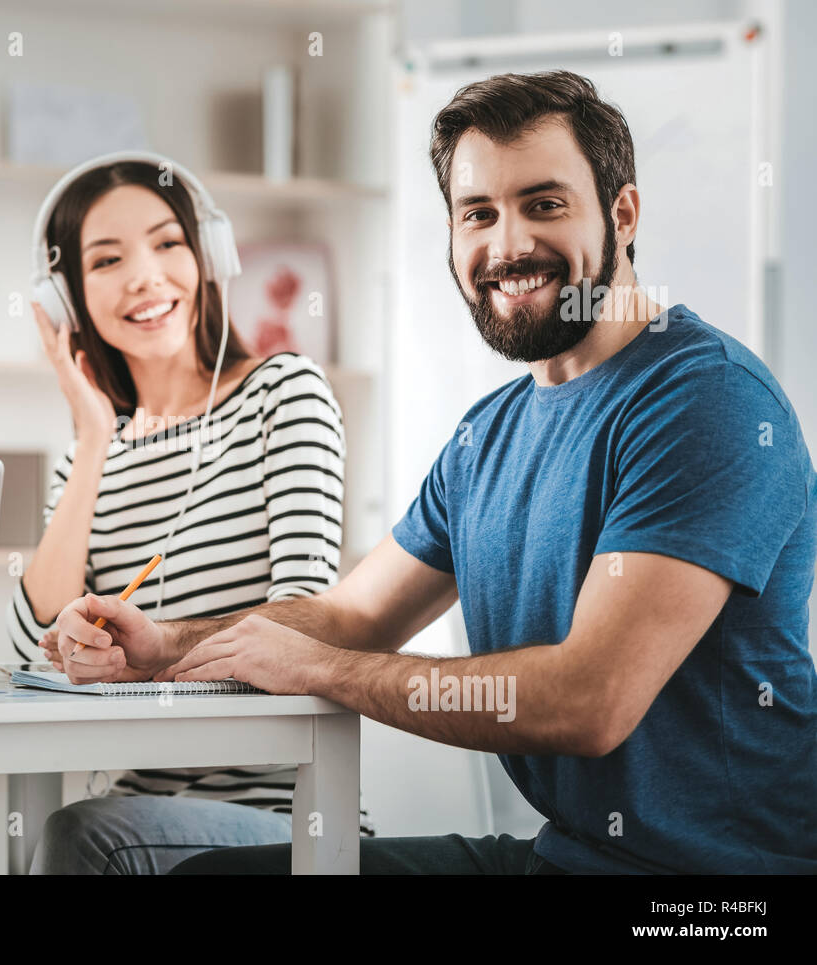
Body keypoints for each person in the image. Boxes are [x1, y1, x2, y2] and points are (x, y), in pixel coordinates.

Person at [50, 72, 817, 875]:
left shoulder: (707, 400)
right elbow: (352, 616)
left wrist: (327, 673)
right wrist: (167, 645)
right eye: (478, 213)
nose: (509, 244)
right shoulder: (488, 436)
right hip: (566, 857)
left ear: (622, 215)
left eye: (544, 204)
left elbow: (590, 700)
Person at [8, 155, 365, 874]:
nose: (145, 276)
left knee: (75, 837)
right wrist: (92, 436)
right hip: (136, 808)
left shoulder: (283, 392)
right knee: (51, 837)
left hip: (282, 811)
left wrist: (157, 648)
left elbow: (304, 617)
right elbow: (30, 650)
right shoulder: (89, 453)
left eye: (167, 243)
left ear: (210, 258)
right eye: (107, 259)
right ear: (69, 298)